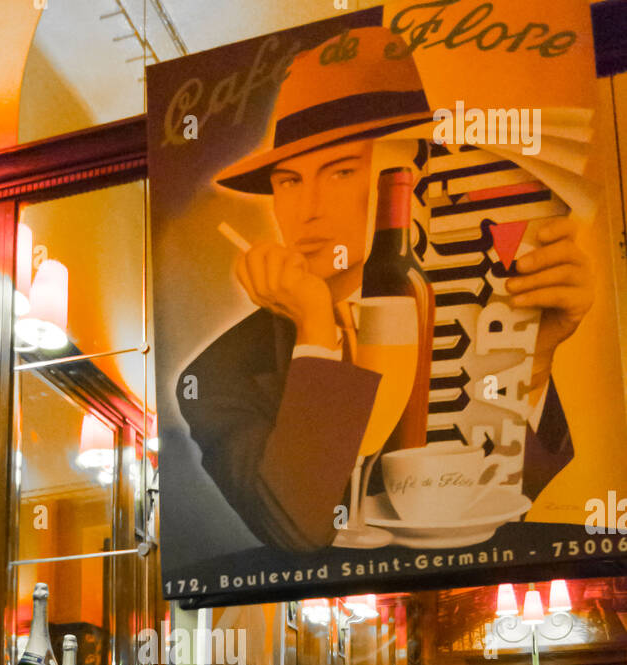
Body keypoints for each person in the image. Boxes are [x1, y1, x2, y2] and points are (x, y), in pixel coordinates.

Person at [177, 26, 594, 552]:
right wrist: (315, 332)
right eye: (289, 181)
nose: (308, 210)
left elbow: (512, 500)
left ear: (406, 175)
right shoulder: (218, 373)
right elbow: (296, 532)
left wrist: (536, 357)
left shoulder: (467, 310)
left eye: (341, 171)